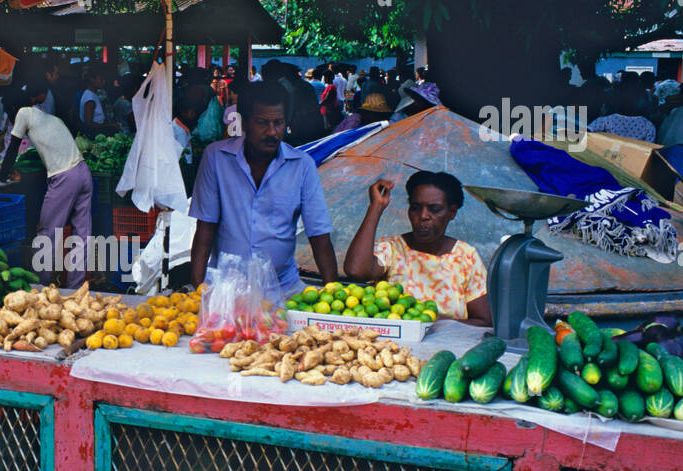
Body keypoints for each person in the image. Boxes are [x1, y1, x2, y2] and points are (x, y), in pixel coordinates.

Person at [189, 82, 338, 295]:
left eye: (278, 123)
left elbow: (320, 237)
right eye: (262, 123)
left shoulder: (302, 165)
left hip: (282, 289)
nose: (272, 132)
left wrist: (332, 300)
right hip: (225, 290)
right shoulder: (216, 158)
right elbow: (205, 230)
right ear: (245, 123)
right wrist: (198, 293)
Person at [344, 171, 491, 326]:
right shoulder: (393, 249)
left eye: (434, 209)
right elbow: (356, 270)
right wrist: (376, 206)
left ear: (452, 212)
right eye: (415, 208)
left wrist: (432, 324)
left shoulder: (466, 257)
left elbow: (484, 321)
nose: (423, 216)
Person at [1, 81, 93, 288]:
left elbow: (13, 148)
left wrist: (1, 176)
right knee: (81, 234)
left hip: (64, 178)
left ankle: (39, 285)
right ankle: (75, 287)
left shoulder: (23, 113)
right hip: (83, 172)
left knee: (47, 233)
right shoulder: (51, 118)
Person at [586, 86, 656, 141]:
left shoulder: (608, 120)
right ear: (639, 102)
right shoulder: (648, 125)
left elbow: (587, 131)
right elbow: (650, 148)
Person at [78, 65, 118, 137]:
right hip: (95, 134)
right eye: (101, 79)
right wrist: (109, 125)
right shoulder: (90, 98)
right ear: (92, 80)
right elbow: (89, 124)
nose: (103, 81)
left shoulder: (93, 94)